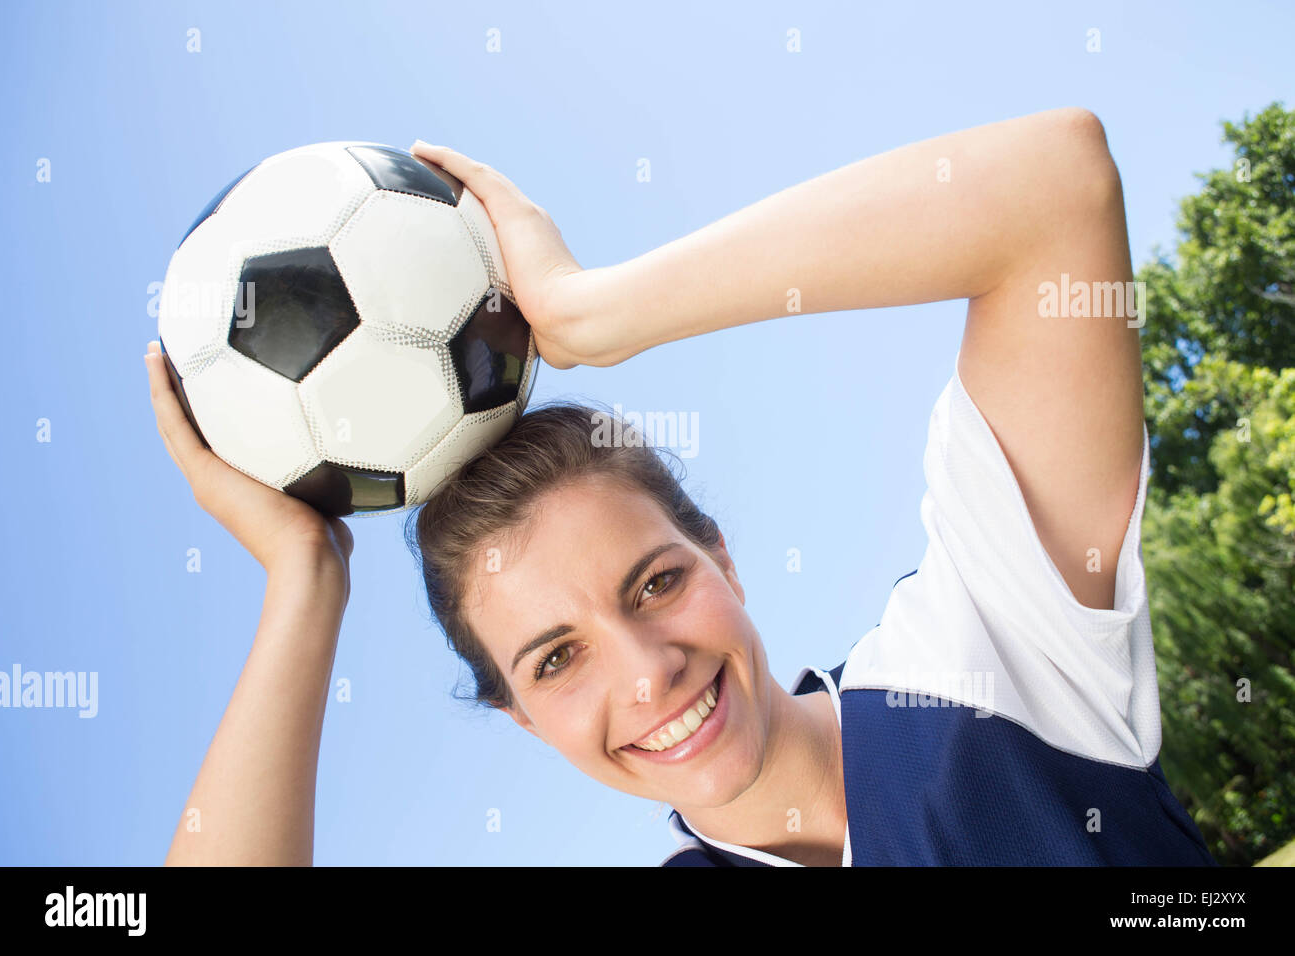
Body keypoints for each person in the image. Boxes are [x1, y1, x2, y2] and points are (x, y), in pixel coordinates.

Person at [145, 107, 1217, 866]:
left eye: (655, 582)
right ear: (522, 719)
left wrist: (594, 310)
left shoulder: (985, 660)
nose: (649, 674)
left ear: (723, 557)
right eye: (555, 658)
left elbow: (1053, 187)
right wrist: (303, 584)